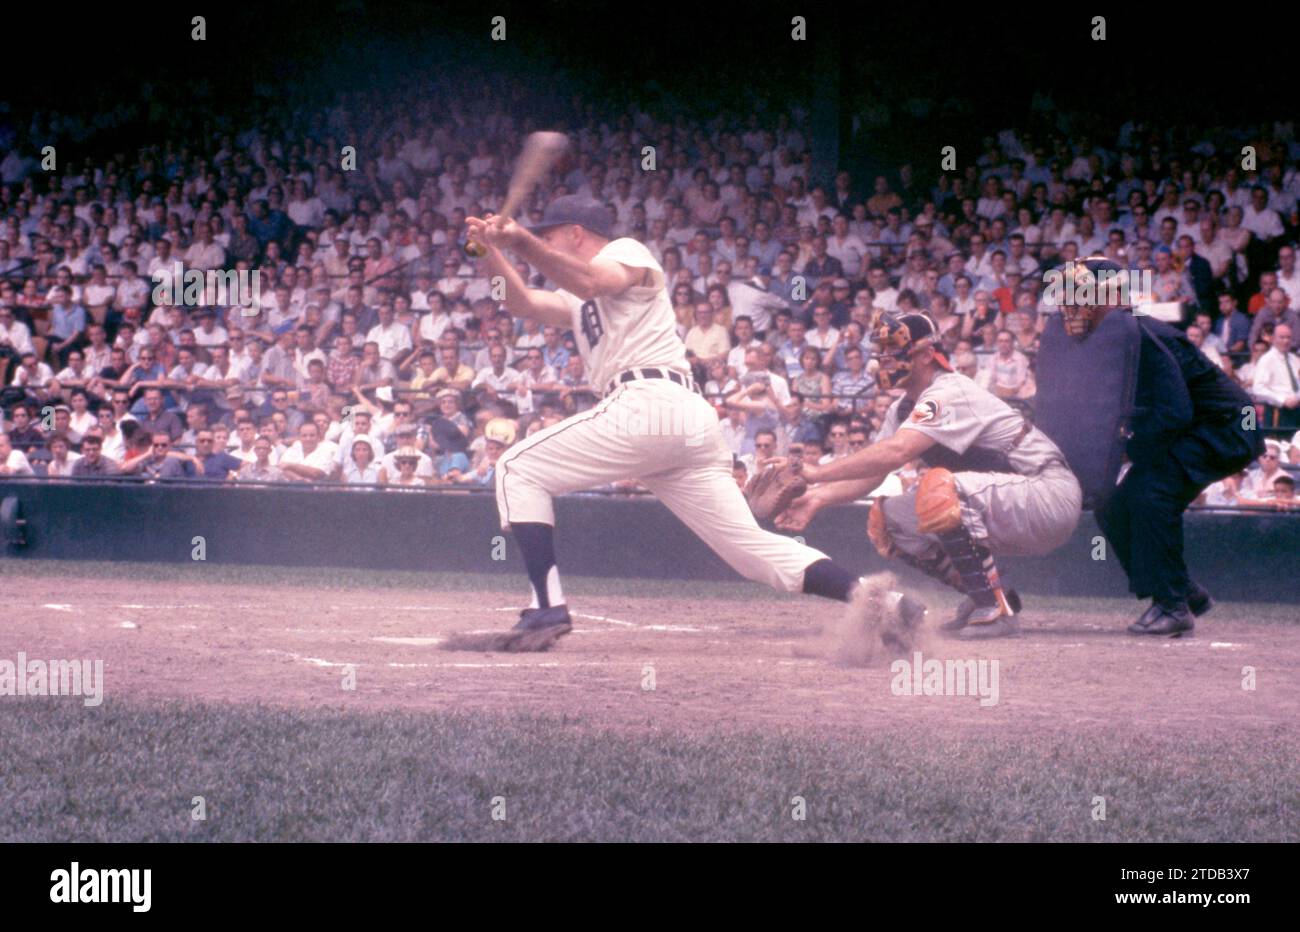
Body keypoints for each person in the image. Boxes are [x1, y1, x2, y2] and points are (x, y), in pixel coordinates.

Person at [465, 195, 888, 647]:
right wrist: (490, 251)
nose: (543, 239)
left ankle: (546, 609)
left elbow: (590, 280)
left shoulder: (623, 251)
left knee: (517, 467)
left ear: (575, 233)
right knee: (749, 551)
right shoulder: (577, 292)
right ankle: (886, 605)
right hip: (680, 420)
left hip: (648, 402)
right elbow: (520, 303)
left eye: (549, 233)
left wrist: (521, 241)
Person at [778, 311, 1083, 639]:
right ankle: (992, 595)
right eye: (881, 352)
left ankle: (992, 610)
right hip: (1013, 497)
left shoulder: (948, 392)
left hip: (1047, 490)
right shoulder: (904, 408)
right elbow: (876, 470)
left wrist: (815, 472)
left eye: (894, 351)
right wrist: (818, 497)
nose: (885, 361)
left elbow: (897, 451)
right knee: (888, 519)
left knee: (936, 486)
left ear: (925, 354)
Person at [1059, 257, 1264, 636]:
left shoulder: (1139, 335)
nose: (1071, 304)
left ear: (1108, 296)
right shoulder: (1114, 339)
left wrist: (1129, 452)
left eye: (1080, 294)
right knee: (1114, 506)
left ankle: (1172, 604)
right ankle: (1183, 592)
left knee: (1152, 494)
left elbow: (1174, 410)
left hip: (1226, 425)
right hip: (1196, 427)